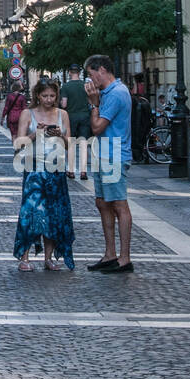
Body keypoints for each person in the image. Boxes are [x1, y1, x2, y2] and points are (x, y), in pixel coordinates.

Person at [13, 77, 75, 271]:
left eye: (52, 95)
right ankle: (25, 257)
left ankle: (48, 258)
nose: (49, 99)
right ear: (37, 96)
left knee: (53, 214)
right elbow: (18, 145)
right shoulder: (27, 113)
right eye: (45, 95)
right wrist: (35, 134)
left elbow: (69, 144)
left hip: (56, 171)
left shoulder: (62, 114)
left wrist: (60, 135)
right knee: (31, 213)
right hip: (34, 170)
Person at [84, 54, 134, 273]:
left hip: (114, 154)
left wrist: (94, 104)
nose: (90, 79)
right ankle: (110, 254)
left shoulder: (115, 94)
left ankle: (124, 258)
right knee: (103, 203)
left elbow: (97, 127)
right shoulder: (108, 93)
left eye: (90, 74)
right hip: (103, 153)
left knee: (119, 205)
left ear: (101, 70)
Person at [60, 63, 91, 180]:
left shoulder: (66, 87)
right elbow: (90, 102)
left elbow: (64, 104)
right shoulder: (85, 85)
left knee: (71, 144)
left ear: (69, 72)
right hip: (84, 116)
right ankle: (83, 172)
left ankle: (71, 170)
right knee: (83, 144)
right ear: (79, 72)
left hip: (71, 117)